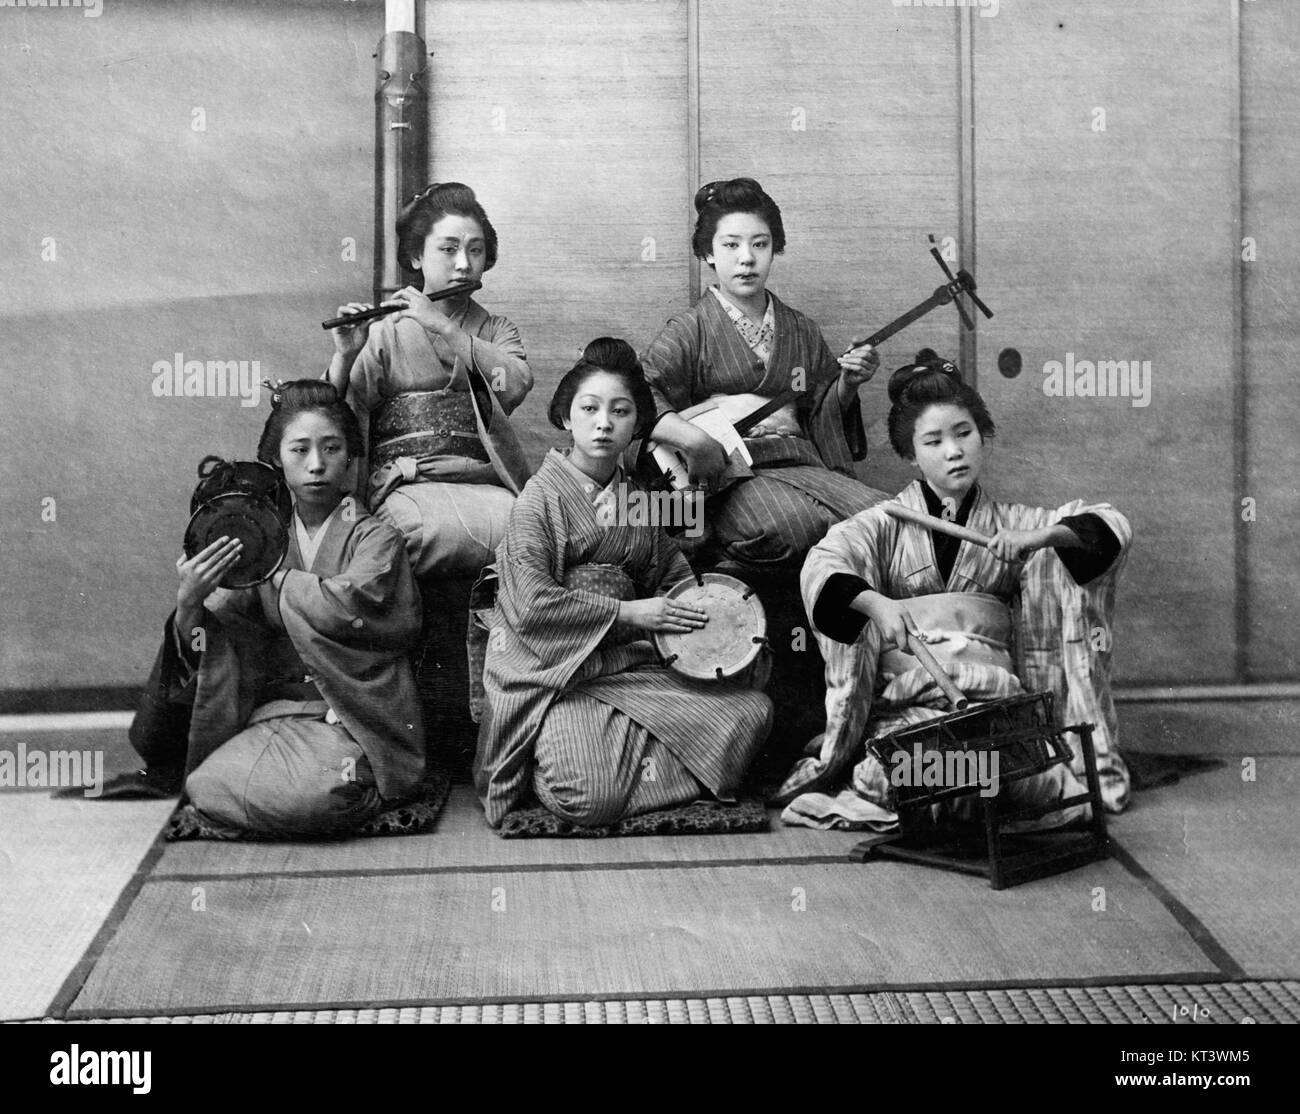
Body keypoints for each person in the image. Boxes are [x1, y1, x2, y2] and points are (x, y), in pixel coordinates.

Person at [774, 350, 1132, 827]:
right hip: (910, 704)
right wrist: (876, 605)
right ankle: (968, 790)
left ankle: (969, 791)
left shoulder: (1015, 523)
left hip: (994, 702)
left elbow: (1109, 524)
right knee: (898, 772)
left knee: (1014, 773)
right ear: (910, 453)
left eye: (964, 433)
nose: (954, 451)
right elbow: (825, 565)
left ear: (982, 435)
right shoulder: (884, 523)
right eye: (934, 440)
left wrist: (1042, 538)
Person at [474, 338, 773, 828]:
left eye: (621, 411)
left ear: (637, 424)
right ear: (565, 417)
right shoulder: (538, 501)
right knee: (588, 801)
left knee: (751, 712)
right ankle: (605, 764)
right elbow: (529, 606)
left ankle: (623, 754)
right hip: (558, 675)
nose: (604, 423)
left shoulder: (637, 501)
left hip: (632, 668)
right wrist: (629, 612)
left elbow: (674, 581)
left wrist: (717, 620)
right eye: (589, 409)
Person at [131, 381, 427, 837]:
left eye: (332, 448)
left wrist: (275, 579)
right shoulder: (266, 542)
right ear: (277, 459)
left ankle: (367, 786)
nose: (316, 464)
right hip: (275, 714)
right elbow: (226, 628)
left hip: (352, 718)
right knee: (205, 785)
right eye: (300, 450)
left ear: (351, 457)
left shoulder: (375, 538)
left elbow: (348, 606)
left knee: (314, 796)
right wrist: (190, 601)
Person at [639, 177, 888, 573]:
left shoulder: (801, 328)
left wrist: (848, 383)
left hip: (800, 462)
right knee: (792, 527)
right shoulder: (691, 329)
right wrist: (693, 439)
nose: (747, 258)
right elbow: (638, 394)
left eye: (760, 244)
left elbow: (818, 409)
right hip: (732, 477)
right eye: (730, 245)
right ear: (708, 253)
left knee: (880, 517)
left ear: (775, 249)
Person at [326, 182, 533, 578]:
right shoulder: (384, 331)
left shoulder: (496, 330)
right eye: (449, 249)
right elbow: (335, 415)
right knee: (408, 533)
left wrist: (443, 327)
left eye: (475, 250)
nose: (464, 264)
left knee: (525, 531)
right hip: (405, 483)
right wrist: (346, 354)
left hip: (482, 479)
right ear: (416, 256)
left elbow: (515, 384)